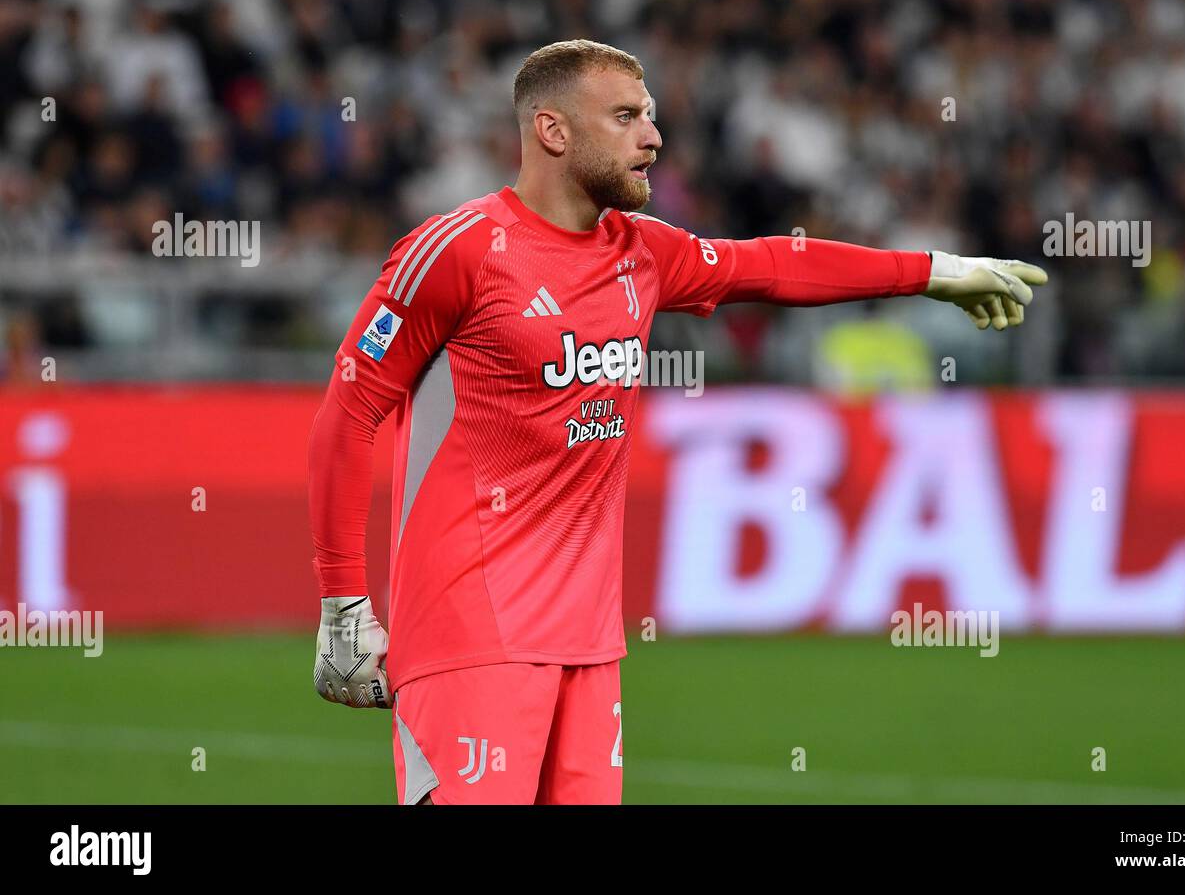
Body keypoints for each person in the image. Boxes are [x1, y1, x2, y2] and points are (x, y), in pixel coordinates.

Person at [306, 39, 1047, 805]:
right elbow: (346, 414)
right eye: (626, 117)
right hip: (470, 643)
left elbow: (772, 265)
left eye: (651, 117)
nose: (652, 137)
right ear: (553, 131)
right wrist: (343, 603)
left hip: (590, 651)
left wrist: (935, 271)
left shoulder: (642, 253)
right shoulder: (459, 251)